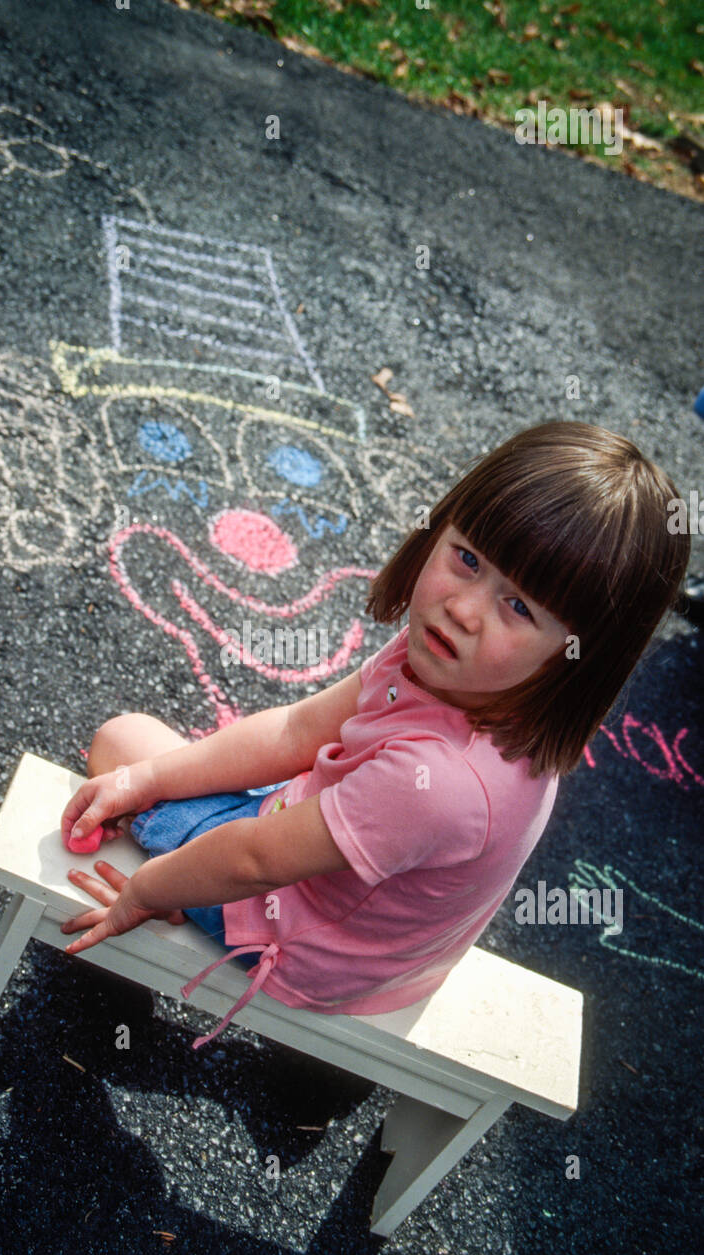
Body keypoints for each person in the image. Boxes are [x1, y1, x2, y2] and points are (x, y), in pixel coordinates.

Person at [58, 421, 691, 1050]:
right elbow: (298, 729)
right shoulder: (466, 666)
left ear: (582, 655)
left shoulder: (443, 781)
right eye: (467, 559)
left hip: (303, 939)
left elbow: (254, 861)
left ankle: (151, 944)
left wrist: (143, 891)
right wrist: (148, 785)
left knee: (123, 739)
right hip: (363, 917)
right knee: (147, 771)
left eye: (519, 607)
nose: (464, 609)